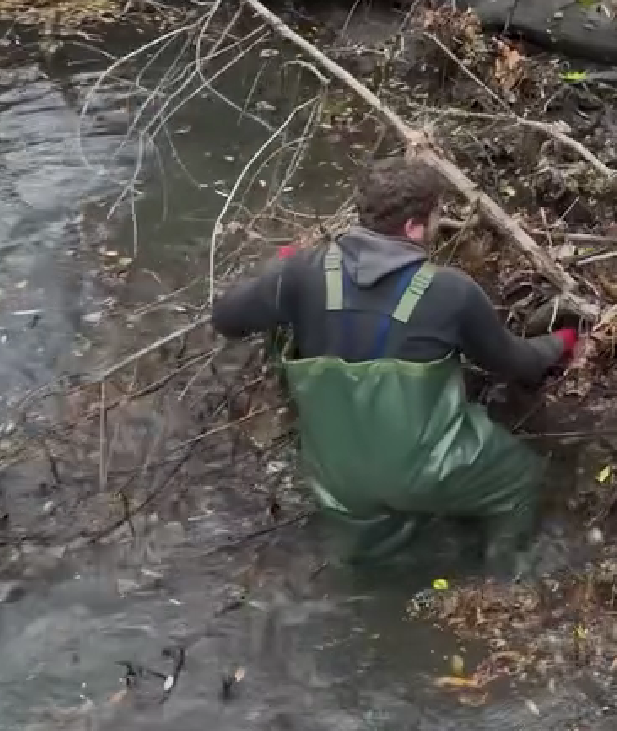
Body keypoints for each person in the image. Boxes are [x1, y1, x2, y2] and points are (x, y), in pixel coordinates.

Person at [208, 156, 579, 569]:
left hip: (337, 480)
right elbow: (513, 362)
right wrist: (559, 343)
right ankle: (503, 577)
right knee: (520, 478)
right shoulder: (451, 291)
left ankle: (379, 588)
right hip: (426, 472)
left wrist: (278, 270)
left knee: (375, 565)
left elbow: (226, 319)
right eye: (436, 216)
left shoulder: (299, 273)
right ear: (414, 227)